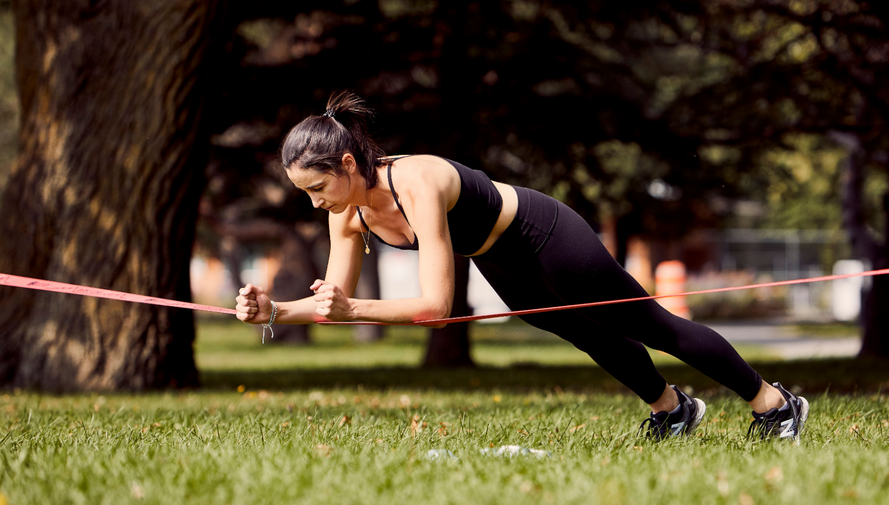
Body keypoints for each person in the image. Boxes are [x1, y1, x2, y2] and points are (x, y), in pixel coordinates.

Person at [235, 92, 809, 442]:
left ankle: (776, 406)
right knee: (587, 335)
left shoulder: (417, 180)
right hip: (497, 259)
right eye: (304, 195)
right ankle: (673, 410)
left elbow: (435, 308)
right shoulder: (348, 212)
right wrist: (276, 310)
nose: (316, 204)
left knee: (650, 325)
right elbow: (336, 296)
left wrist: (350, 307)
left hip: (541, 233)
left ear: (346, 162)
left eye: (318, 188)